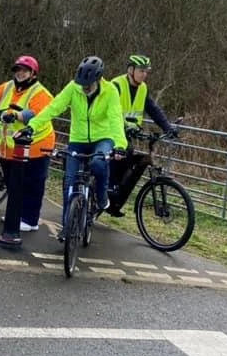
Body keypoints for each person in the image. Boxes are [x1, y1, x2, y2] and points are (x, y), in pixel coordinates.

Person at [20, 56, 126, 240]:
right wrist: (32, 126)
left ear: (99, 79)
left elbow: (116, 119)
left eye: (88, 85)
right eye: (82, 84)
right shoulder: (73, 87)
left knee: (99, 164)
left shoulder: (110, 91)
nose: (84, 88)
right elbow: (53, 108)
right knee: (69, 182)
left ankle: (101, 199)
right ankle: (67, 228)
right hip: (77, 139)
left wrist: (120, 145)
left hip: (103, 137)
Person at [0, 55, 54, 233]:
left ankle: (30, 220)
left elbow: (36, 112)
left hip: (36, 147)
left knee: (32, 184)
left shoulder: (41, 93)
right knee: (13, 183)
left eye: (24, 70)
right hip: (8, 147)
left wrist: (17, 115)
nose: (20, 73)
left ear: (33, 74)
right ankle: (15, 214)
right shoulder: (8, 87)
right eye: (17, 70)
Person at [107, 54, 179, 216]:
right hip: (111, 130)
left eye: (147, 72)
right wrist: (123, 127)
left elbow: (153, 109)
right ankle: (110, 185)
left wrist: (168, 128)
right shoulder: (116, 85)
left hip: (130, 133)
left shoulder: (143, 88)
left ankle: (115, 202)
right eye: (141, 71)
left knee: (136, 160)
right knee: (126, 151)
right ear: (131, 70)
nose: (144, 74)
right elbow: (112, 111)